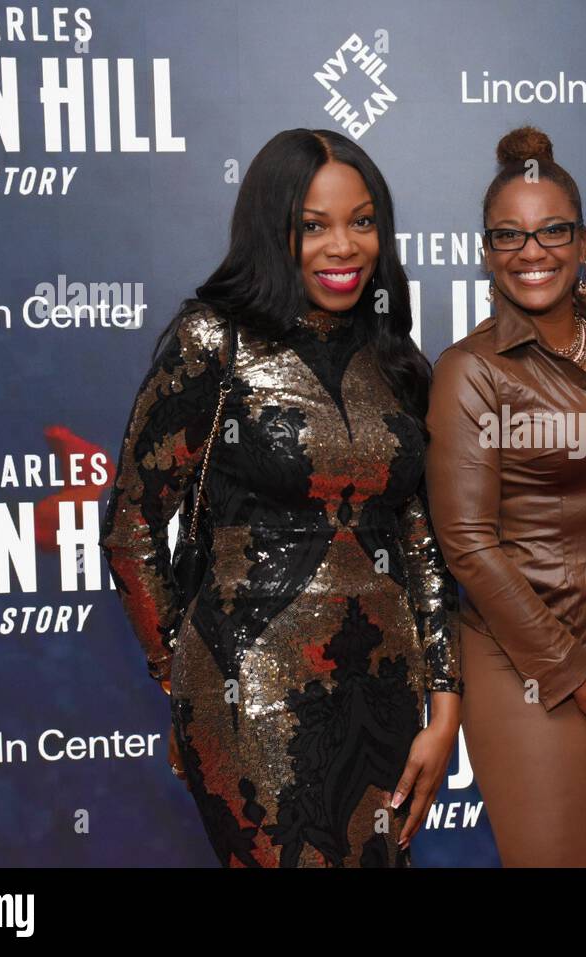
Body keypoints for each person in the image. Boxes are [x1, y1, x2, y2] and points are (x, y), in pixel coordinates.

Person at [99, 128, 461, 868]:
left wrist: (446, 697)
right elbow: (132, 527)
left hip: (385, 694)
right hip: (248, 695)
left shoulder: (394, 357)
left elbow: (419, 538)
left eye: (362, 221)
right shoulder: (214, 343)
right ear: (274, 232)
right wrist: (183, 674)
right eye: (313, 226)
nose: (344, 247)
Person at [425, 127, 586, 867]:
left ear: (584, 243)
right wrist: (579, 676)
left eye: (552, 231)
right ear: (486, 252)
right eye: (508, 235)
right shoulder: (471, 372)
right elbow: (470, 547)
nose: (530, 250)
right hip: (530, 668)